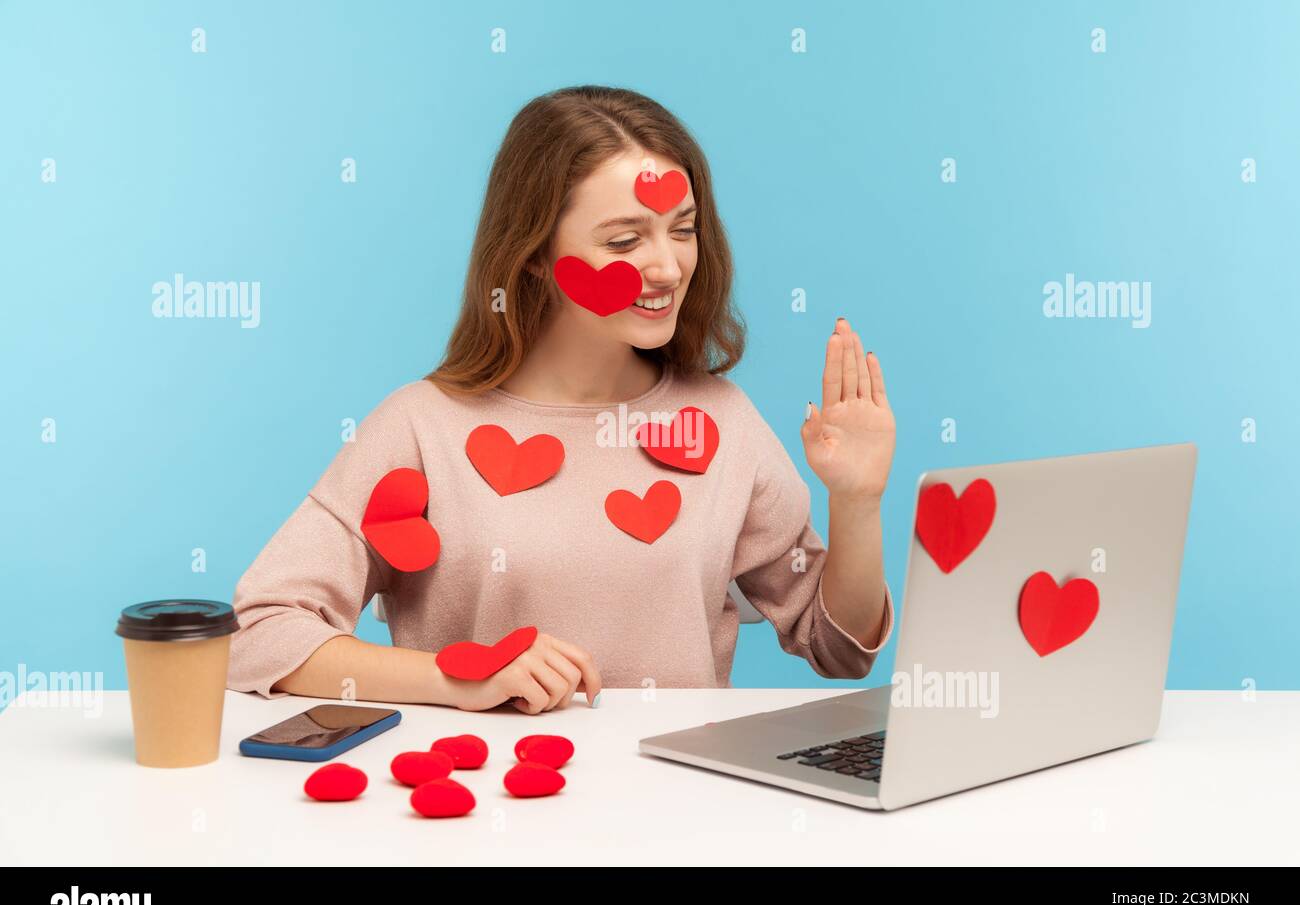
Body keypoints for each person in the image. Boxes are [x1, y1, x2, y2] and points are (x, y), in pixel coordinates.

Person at [227, 85, 897, 715]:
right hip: (486, 809)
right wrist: (456, 676)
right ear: (535, 255)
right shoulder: (421, 427)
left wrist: (857, 502)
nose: (667, 267)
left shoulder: (723, 422)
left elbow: (839, 646)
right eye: (625, 240)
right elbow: (258, 632)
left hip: (681, 812)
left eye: (683, 229)